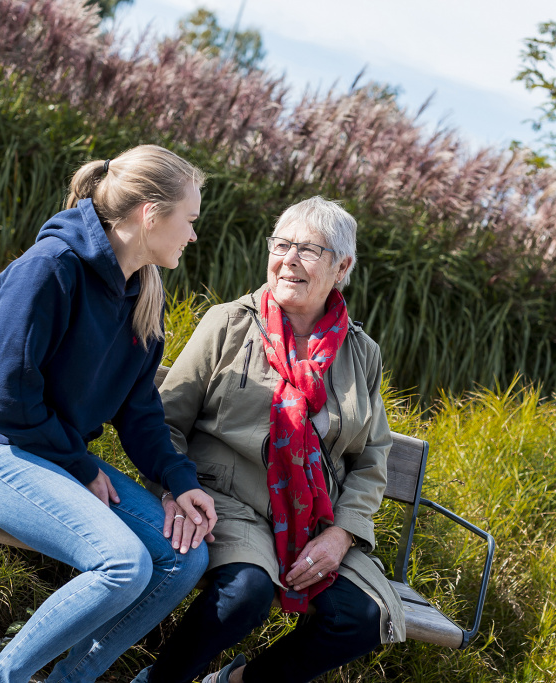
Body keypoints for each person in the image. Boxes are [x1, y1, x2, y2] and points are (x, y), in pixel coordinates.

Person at [0, 144, 217, 683]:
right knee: (124, 564)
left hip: (49, 456)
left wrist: (179, 483)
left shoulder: (141, 295)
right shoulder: (50, 268)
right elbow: (3, 397)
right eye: (190, 220)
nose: (193, 236)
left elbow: (141, 415)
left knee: (185, 558)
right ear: (150, 215)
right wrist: (81, 466)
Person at [135, 196, 405, 683]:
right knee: (246, 592)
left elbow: (372, 457)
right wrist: (173, 489)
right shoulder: (230, 323)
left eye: (308, 250)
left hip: (316, 521)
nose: (288, 260)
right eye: (281, 244)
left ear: (342, 266)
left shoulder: (361, 353)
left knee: (361, 617)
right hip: (228, 500)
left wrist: (342, 533)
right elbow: (166, 419)